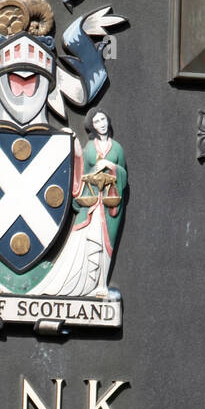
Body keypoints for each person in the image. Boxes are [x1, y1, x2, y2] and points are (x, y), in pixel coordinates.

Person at [73, 110, 127, 290]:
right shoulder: (89, 147)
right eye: (97, 122)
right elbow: (81, 173)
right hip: (93, 204)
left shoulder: (117, 148)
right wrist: (79, 154)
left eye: (103, 119)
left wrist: (111, 166)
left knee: (105, 242)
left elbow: (124, 176)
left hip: (109, 203)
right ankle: (87, 283)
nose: (102, 124)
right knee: (90, 241)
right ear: (92, 127)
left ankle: (101, 284)